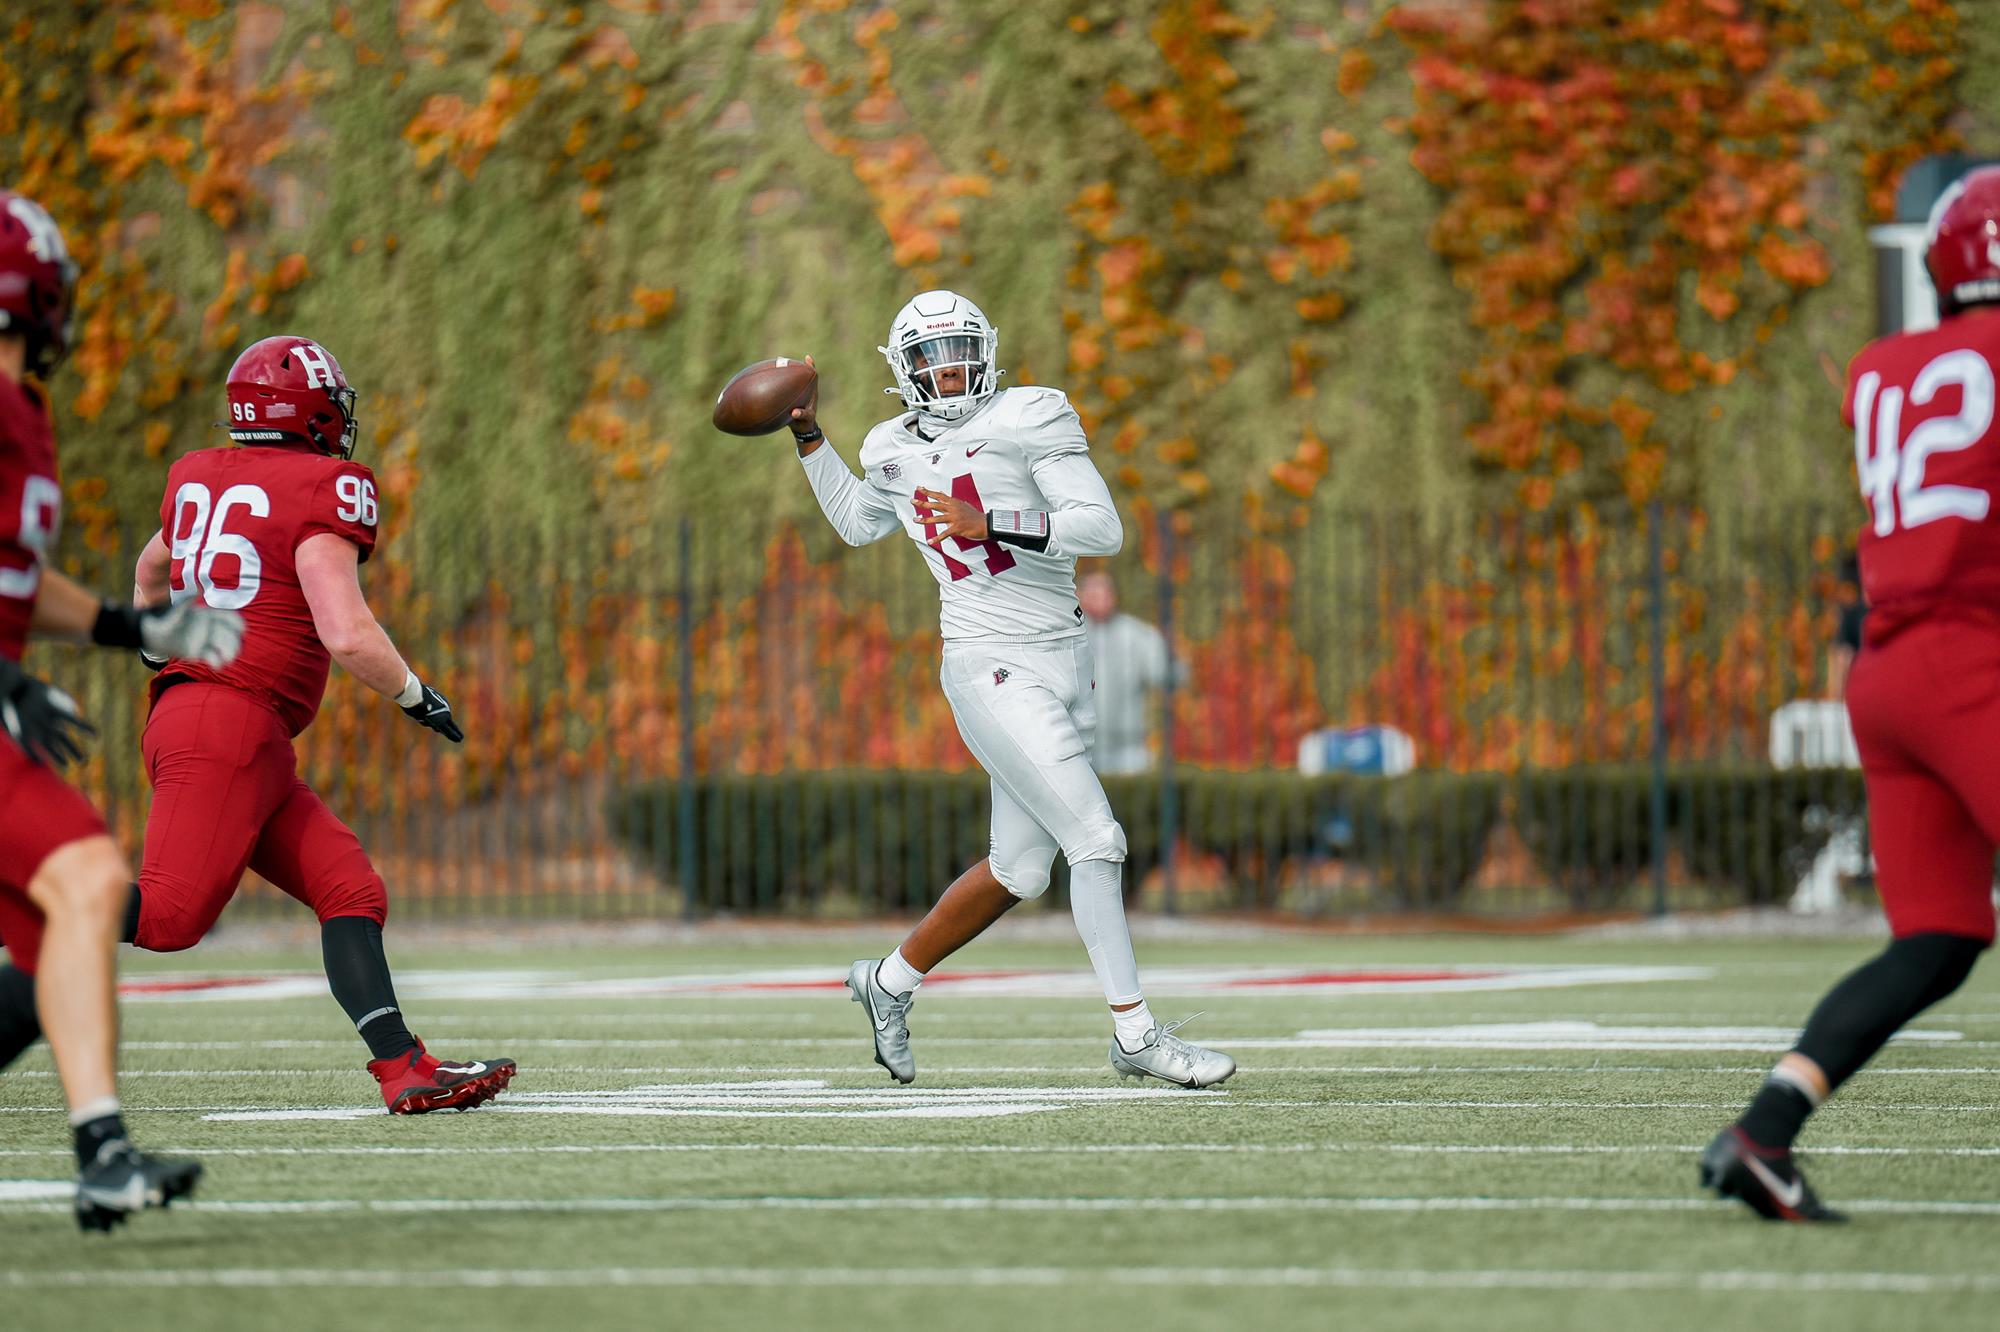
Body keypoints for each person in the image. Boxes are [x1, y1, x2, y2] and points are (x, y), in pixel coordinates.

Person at [0, 334, 516, 1115]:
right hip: (231, 724)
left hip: (227, 727)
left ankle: (402, 1065)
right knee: (169, 918)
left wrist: (153, 643)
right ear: (308, 412)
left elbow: (149, 568)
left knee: (350, 886)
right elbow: (344, 630)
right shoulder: (324, 487)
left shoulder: (199, 475)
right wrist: (416, 694)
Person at [790, 289, 1234, 1089]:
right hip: (987, 661)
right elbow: (859, 522)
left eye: (960, 348)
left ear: (986, 349)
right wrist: (808, 435)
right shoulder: (888, 444)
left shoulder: (1033, 415)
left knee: (1018, 872)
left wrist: (990, 520)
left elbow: (1102, 529)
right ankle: (1134, 1035)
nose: (950, 367)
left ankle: (886, 982)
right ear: (905, 371)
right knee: (1096, 841)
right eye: (930, 356)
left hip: (1066, 655)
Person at [1702, 166, 2000, 1221]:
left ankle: (1762, 1132)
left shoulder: (1880, 367)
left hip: (1887, 672)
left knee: (1938, 938)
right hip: (1970, 661)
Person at [0, 189, 246, 1228]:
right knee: (92, 879)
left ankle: (103, 1152)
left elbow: (16, 582)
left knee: (54, 931)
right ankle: (101, 1149)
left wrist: (133, 627)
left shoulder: (22, 411)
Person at [1079, 569, 1177, 774]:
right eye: (1093, 593)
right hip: (1082, 746)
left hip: (1129, 749)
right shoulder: (1071, 635)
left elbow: (1165, 675)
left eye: (1104, 592)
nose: (1100, 599)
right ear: (1081, 596)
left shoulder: (1137, 634)